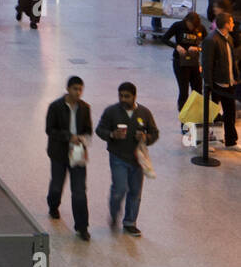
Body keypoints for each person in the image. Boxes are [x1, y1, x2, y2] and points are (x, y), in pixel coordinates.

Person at [95, 82, 159, 237]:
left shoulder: (144, 113)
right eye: (121, 96)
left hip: (137, 159)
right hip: (118, 157)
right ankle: (114, 213)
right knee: (120, 189)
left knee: (135, 192)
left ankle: (130, 222)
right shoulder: (111, 112)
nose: (123, 99)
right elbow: (99, 129)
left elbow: (154, 133)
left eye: (127, 96)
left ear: (134, 96)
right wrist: (112, 135)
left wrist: (146, 137)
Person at [45, 75, 92, 240]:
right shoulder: (56, 107)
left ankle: (82, 227)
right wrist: (68, 136)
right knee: (57, 185)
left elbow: (88, 130)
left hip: (77, 153)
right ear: (68, 89)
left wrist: (83, 139)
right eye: (75, 89)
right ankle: (53, 205)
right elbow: (49, 130)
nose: (78, 92)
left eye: (80, 89)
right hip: (58, 153)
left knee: (79, 191)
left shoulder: (85, 108)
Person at [201, 12, 239, 147]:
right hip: (215, 85)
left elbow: (232, 60)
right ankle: (207, 143)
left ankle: (231, 141)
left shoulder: (229, 38)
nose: (234, 24)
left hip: (228, 84)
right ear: (227, 25)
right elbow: (207, 64)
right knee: (211, 115)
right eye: (232, 22)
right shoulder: (211, 40)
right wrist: (208, 85)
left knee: (230, 114)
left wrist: (235, 77)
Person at [163, 11, 206, 110]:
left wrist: (198, 49)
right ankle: (183, 113)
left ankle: (197, 111)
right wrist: (177, 46)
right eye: (190, 25)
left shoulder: (200, 28)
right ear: (186, 21)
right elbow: (164, 39)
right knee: (184, 90)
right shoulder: (178, 26)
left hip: (194, 62)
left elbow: (207, 44)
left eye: (194, 27)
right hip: (180, 62)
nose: (191, 28)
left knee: (198, 89)